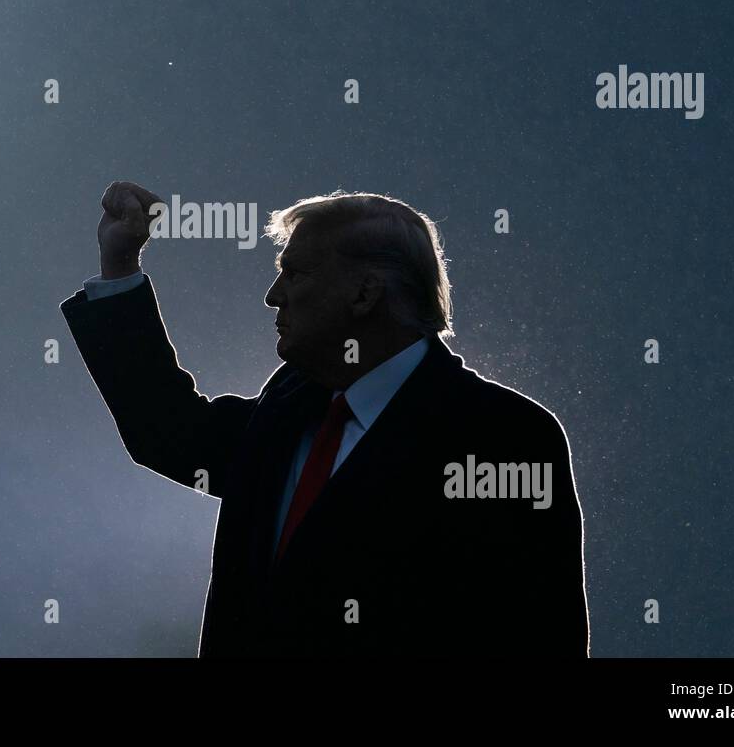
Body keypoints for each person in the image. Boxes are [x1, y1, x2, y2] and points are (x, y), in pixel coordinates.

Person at [61, 181, 590, 657]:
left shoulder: (506, 438)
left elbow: (540, 639)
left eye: (295, 273)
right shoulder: (291, 402)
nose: (273, 296)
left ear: (365, 293)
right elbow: (173, 434)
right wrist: (120, 265)